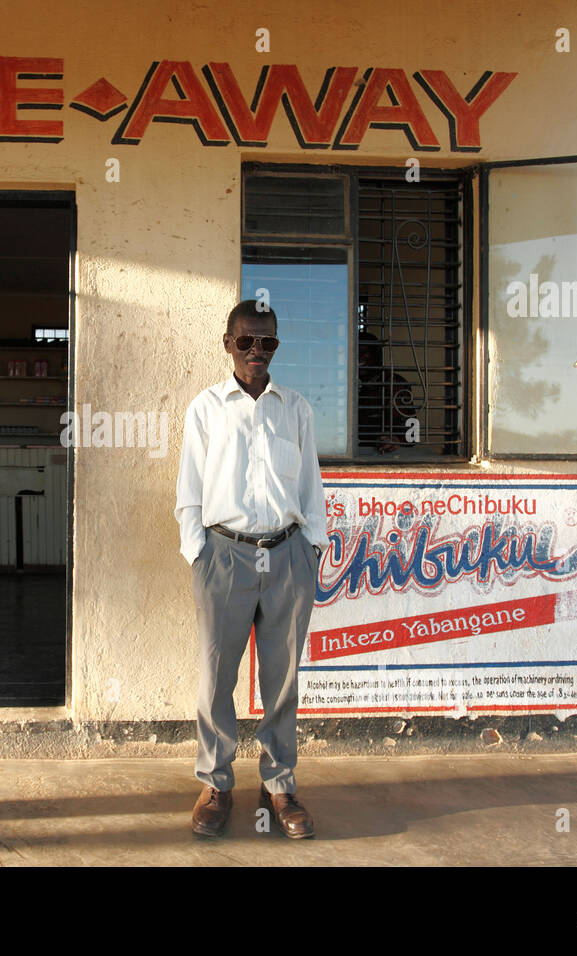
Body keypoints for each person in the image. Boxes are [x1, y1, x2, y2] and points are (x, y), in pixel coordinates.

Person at [174, 299, 330, 839]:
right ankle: (216, 784)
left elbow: (311, 486)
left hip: (288, 555)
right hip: (224, 554)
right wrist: (198, 550)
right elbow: (189, 491)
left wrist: (312, 547)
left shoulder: (296, 409)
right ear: (228, 344)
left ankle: (279, 784)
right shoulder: (206, 409)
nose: (256, 352)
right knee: (217, 677)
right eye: (246, 341)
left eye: (267, 342)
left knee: (282, 678)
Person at [356, 331, 416, 454]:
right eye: (355, 351)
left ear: (376, 355)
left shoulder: (392, 383)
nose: (359, 356)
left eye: (364, 351)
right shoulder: (347, 383)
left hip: (383, 454)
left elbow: (410, 429)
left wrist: (396, 440)